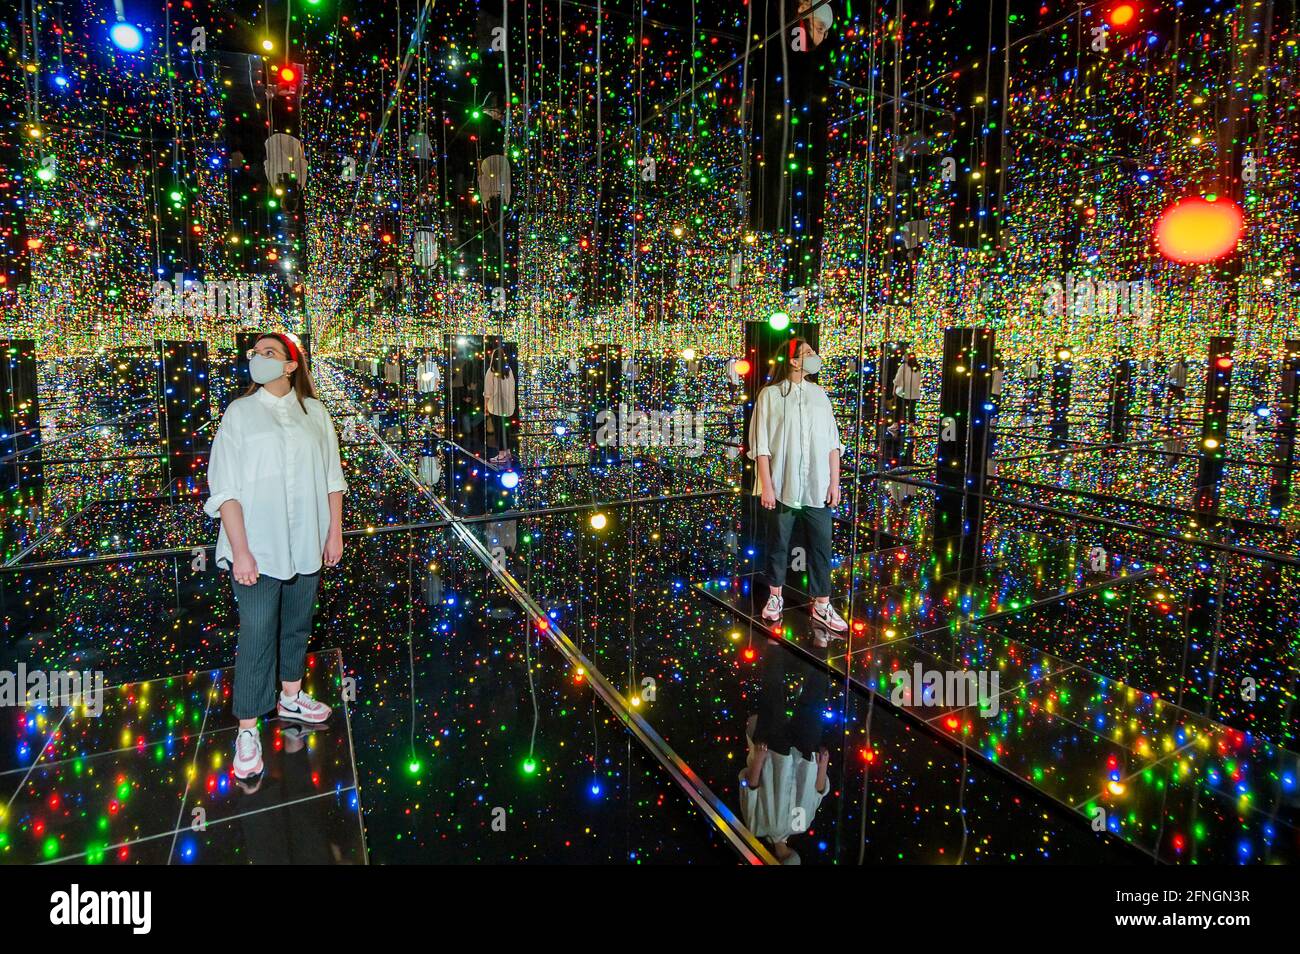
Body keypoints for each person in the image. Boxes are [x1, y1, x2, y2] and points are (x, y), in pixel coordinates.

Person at [205, 333, 348, 781]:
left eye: (269, 353)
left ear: (291, 366)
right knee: (258, 631)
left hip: (307, 541)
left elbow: (332, 478)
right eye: (255, 354)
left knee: (298, 624)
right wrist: (241, 551)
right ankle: (247, 728)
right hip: (257, 549)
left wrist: (334, 533)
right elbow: (224, 488)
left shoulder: (316, 413)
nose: (258, 360)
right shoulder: (240, 414)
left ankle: (290, 695)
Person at [748, 337, 849, 634]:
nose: (814, 357)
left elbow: (833, 444)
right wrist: (766, 486)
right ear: (793, 360)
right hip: (783, 483)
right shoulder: (770, 395)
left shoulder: (820, 395)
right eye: (807, 354)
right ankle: (775, 596)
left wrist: (835, 482)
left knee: (821, 545)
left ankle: (822, 604)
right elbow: (761, 446)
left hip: (817, 484)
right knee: (778, 543)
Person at [892, 352, 922, 424]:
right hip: (914, 392)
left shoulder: (903, 366)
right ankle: (911, 425)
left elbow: (898, 379)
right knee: (912, 410)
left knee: (899, 409)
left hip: (903, 391)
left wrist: (894, 389)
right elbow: (918, 380)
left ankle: (896, 424)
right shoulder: (918, 367)